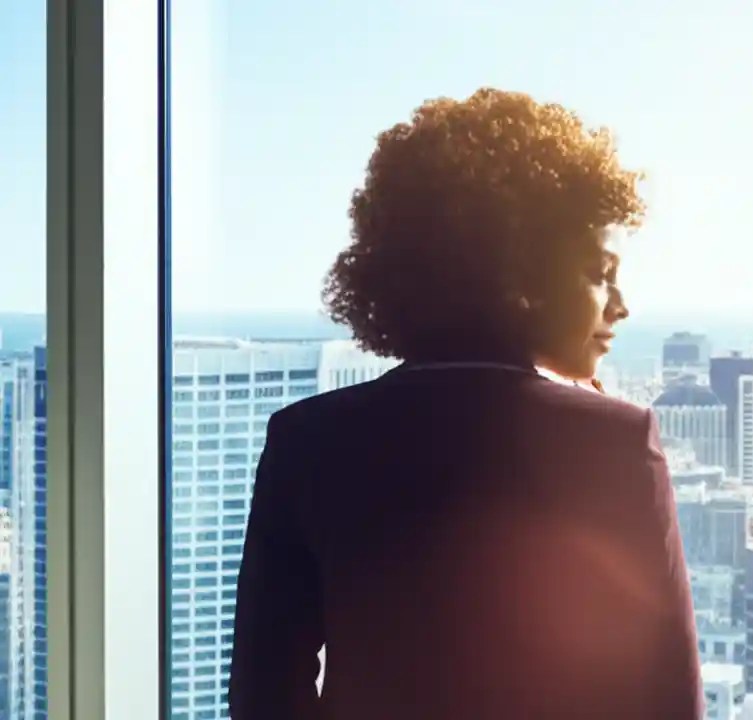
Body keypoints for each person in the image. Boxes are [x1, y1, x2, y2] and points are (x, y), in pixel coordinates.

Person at [228, 88, 702, 719]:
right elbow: (667, 702)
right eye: (600, 271)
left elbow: (264, 698)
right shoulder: (615, 442)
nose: (620, 303)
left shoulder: (306, 439)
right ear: (521, 277)